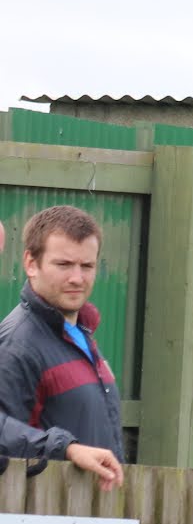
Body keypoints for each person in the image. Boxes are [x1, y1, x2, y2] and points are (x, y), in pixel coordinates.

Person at [0, 207, 125, 489]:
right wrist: (67, 449)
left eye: (87, 266)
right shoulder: (17, 344)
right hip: (42, 520)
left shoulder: (80, 333)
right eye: (64, 264)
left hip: (95, 518)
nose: (77, 278)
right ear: (31, 263)